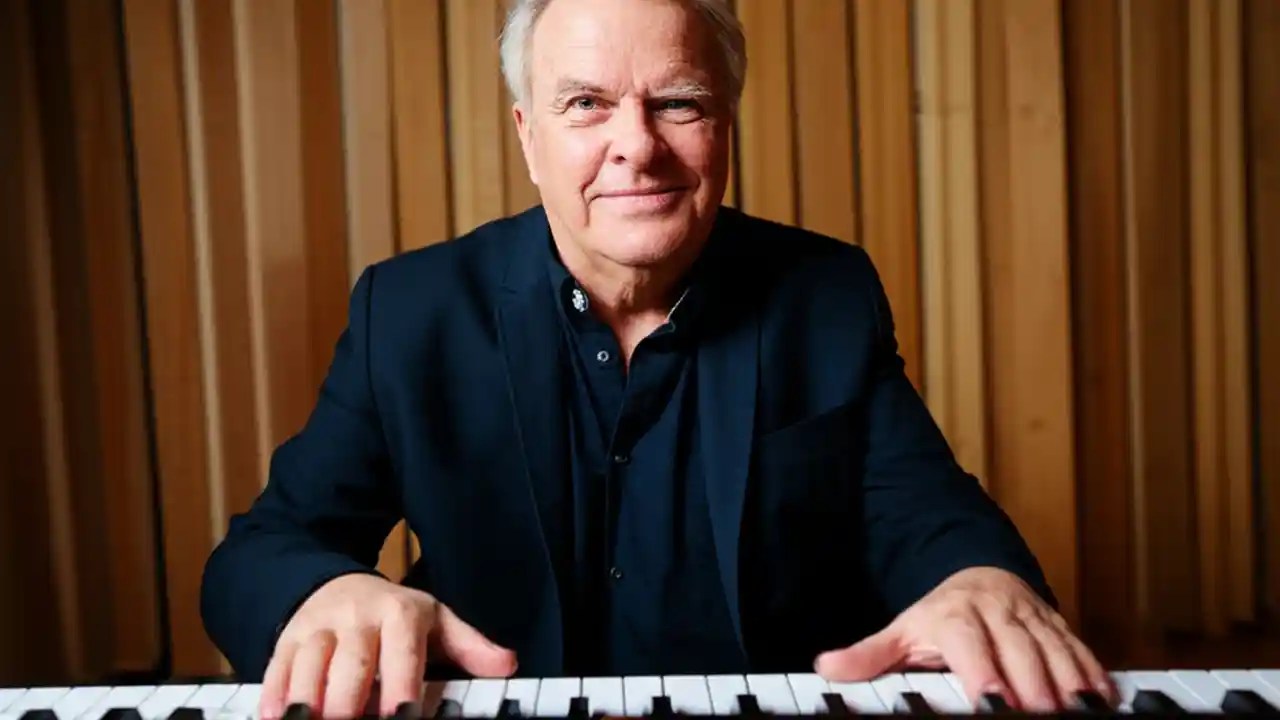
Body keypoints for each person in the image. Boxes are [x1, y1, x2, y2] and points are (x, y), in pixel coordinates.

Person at [200, 0, 1115, 717]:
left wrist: (979, 582)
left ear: (725, 126)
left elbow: (928, 516)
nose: (635, 145)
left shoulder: (825, 293)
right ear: (529, 136)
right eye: (585, 104)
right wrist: (326, 591)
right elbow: (262, 552)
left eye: (679, 101)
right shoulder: (410, 312)